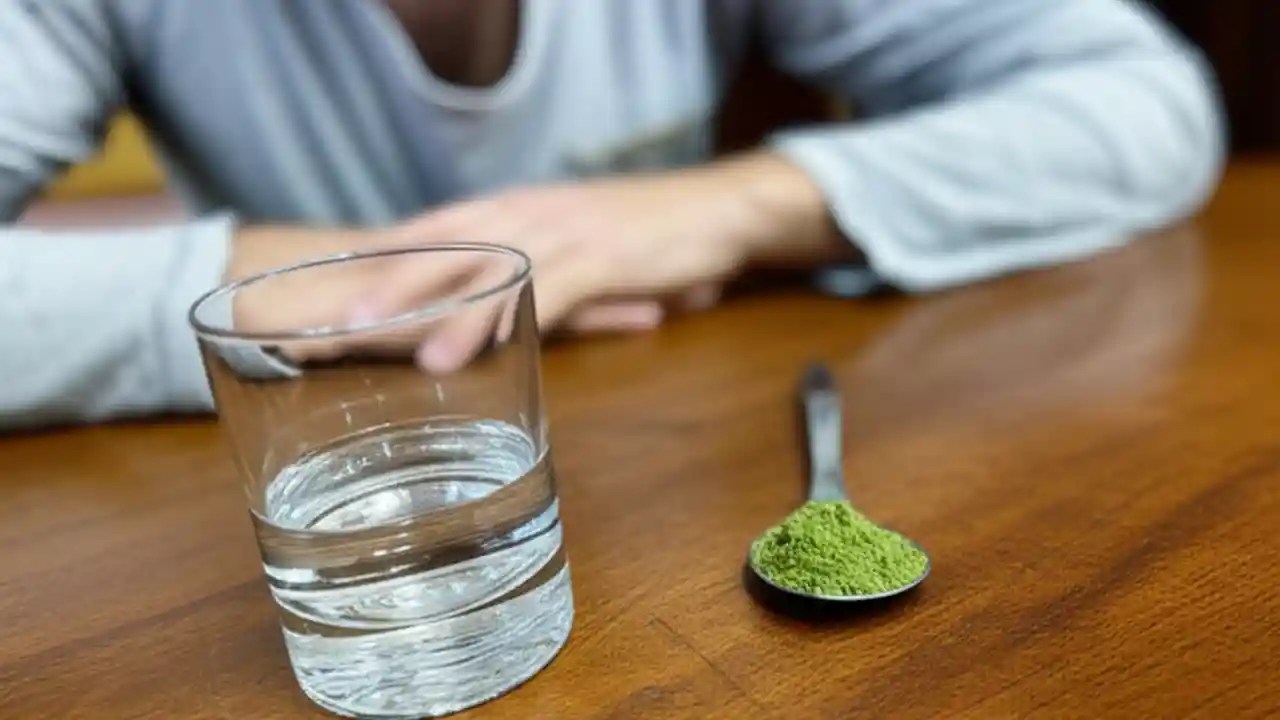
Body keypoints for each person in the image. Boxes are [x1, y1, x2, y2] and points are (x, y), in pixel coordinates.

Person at [0, 0, 1222, 430]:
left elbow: (1142, 102)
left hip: (672, 448)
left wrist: (732, 206)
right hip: (309, 489)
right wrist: (254, 280)